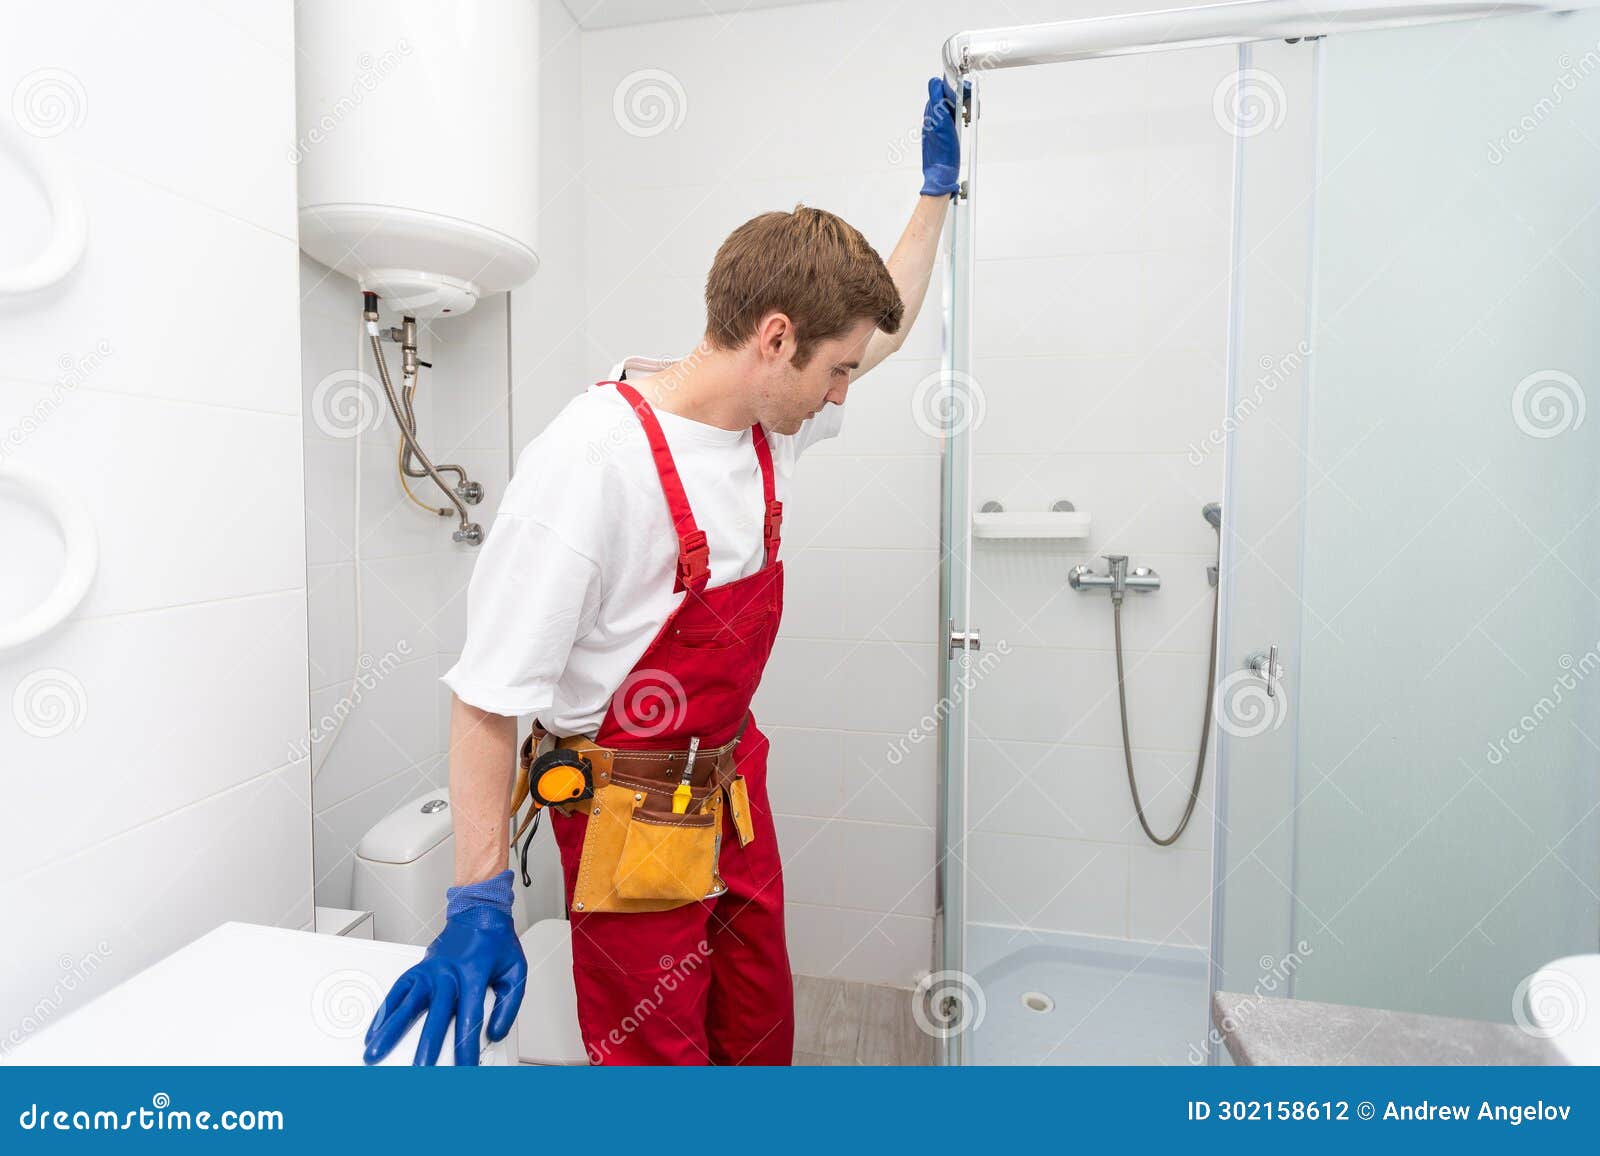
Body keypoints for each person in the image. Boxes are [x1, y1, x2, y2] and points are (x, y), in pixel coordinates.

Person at [363, 77, 963, 1067]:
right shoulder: (592, 462)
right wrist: (477, 899)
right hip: (624, 814)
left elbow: (880, 330)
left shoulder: (771, 426)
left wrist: (934, 194)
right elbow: (487, 695)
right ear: (776, 338)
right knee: (658, 1058)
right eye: (837, 372)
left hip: (732, 786)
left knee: (760, 1023)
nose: (844, 391)